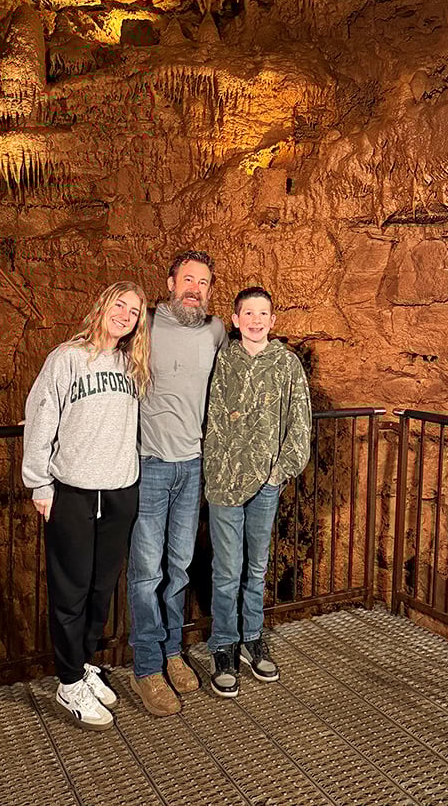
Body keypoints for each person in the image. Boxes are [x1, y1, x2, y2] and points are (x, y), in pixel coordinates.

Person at [22, 281, 150, 730]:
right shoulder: (66, 358)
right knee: (71, 589)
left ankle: (82, 662)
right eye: (120, 305)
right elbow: (41, 417)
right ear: (102, 305)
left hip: (119, 490)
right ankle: (68, 681)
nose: (126, 315)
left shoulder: (131, 364)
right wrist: (40, 484)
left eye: (134, 312)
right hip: (73, 492)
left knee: (101, 587)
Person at [128, 251, 227, 716]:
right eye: (188, 279)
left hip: (192, 466)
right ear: (170, 283)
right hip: (150, 465)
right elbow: (97, 355)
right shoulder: (143, 325)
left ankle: (171, 651)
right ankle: (147, 667)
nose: (195, 289)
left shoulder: (215, 330)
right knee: (147, 573)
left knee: (179, 568)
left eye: (203, 283)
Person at [203, 286, 311, 698]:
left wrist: (278, 472)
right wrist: (214, 467)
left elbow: (299, 422)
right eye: (248, 313)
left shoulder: (285, 364)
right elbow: (208, 415)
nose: (255, 320)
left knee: (256, 567)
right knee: (227, 570)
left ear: (272, 320)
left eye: (262, 313)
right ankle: (223, 645)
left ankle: (252, 638)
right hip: (225, 482)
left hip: (265, 484)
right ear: (235, 319)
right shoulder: (222, 360)